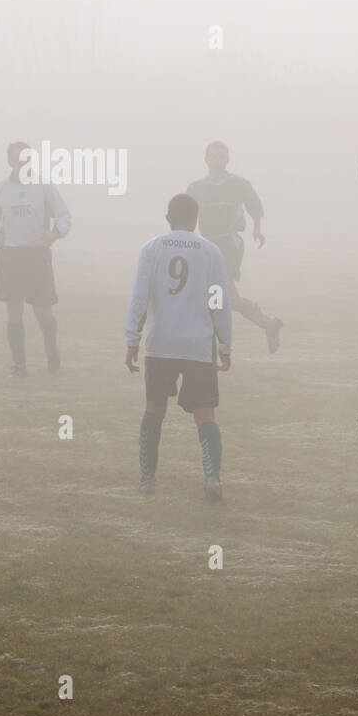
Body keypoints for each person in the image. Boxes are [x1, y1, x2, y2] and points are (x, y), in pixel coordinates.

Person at [125, 194, 233, 501]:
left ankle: (147, 479)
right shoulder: (211, 252)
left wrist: (132, 339)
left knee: (154, 410)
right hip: (198, 345)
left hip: (161, 343)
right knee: (205, 414)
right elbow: (219, 302)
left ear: (168, 218)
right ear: (196, 219)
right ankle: (212, 478)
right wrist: (225, 343)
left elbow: (139, 296)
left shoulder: (152, 248)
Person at [0, 141, 72, 377]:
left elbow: (64, 216)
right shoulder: (0, 190)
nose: (23, 163)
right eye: (19, 159)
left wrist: (55, 234)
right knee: (14, 312)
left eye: (27, 159)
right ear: (10, 162)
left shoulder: (44, 187)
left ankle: (51, 352)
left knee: (43, 312)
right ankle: (20, 365)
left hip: (37, 256)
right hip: (10, 256)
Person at [187, 141, 282, 352]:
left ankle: (210, 344)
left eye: (222, 157)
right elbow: (187, 214)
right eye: (214, 156)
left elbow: (255, 207)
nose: (218, 160)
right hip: (206, 244)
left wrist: (257, 230)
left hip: (229, 243)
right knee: (226, 298)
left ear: (228, 159)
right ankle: (268, 323)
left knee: (220, 295)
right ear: (206, 159)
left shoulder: (239, 184)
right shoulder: (196, 188)